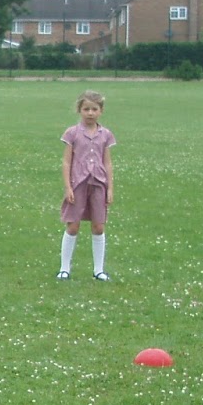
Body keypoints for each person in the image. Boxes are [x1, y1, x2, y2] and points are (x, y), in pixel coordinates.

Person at [57, 89, 115, 281]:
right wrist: (67, 187)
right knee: (73, 225)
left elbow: (107, 162)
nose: (90, 113)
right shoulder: (72, 133)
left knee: (98, 226)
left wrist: (110, 189)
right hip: (77, 183)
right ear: (79, 110)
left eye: (94, 109)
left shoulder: (105, 134)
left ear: (101, 111)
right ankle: (65, 268)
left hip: (98, 183)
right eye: (86, 109)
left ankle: (99, 270)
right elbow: (66, 161)